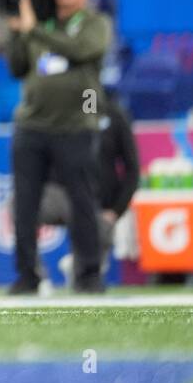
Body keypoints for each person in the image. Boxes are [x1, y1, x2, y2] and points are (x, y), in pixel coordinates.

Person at [5, 0, 110, 295]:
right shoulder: (40, 25)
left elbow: (80, 51)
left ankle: (89, 274)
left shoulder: (95, 23)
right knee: (25, 203)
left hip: (76, 126)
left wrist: (33, 29)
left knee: (82, 200)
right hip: (31, 126)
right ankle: (27, 275)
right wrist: (17, 30)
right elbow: (17, 66)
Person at [33, 88, 138, 285]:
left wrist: (116, 210)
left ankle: (82, 268)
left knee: (87, 278)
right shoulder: (56, 112)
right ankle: (34, 276)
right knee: (20, 205)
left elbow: (133, 170)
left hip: (99, 204)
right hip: (63, 196)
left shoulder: (112, 115)